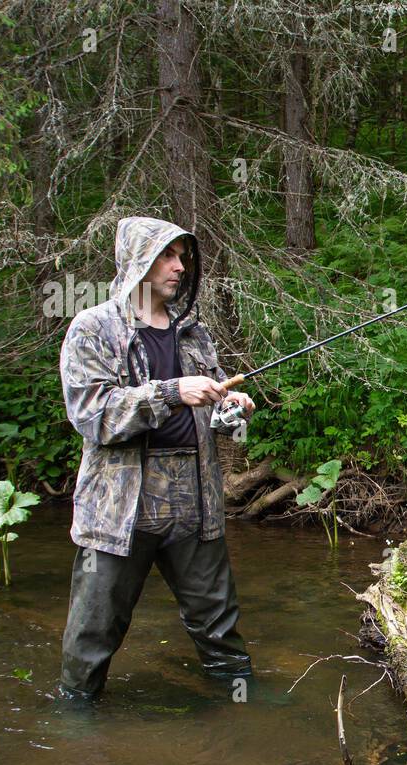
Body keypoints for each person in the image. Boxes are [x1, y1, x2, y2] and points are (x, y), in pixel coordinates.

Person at [57, 216, 257, 699]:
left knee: (218, 624)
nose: (179, 267)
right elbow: (93, 416)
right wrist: (169, 392)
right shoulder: (92, 329)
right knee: (94, 631)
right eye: (167, 256)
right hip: (118, 507)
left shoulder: (194, 334)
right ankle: (76, 721)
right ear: (137, 263)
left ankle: (244, 708)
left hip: (194, 500)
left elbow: (210, 415)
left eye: (183, 257)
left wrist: (232, 410)